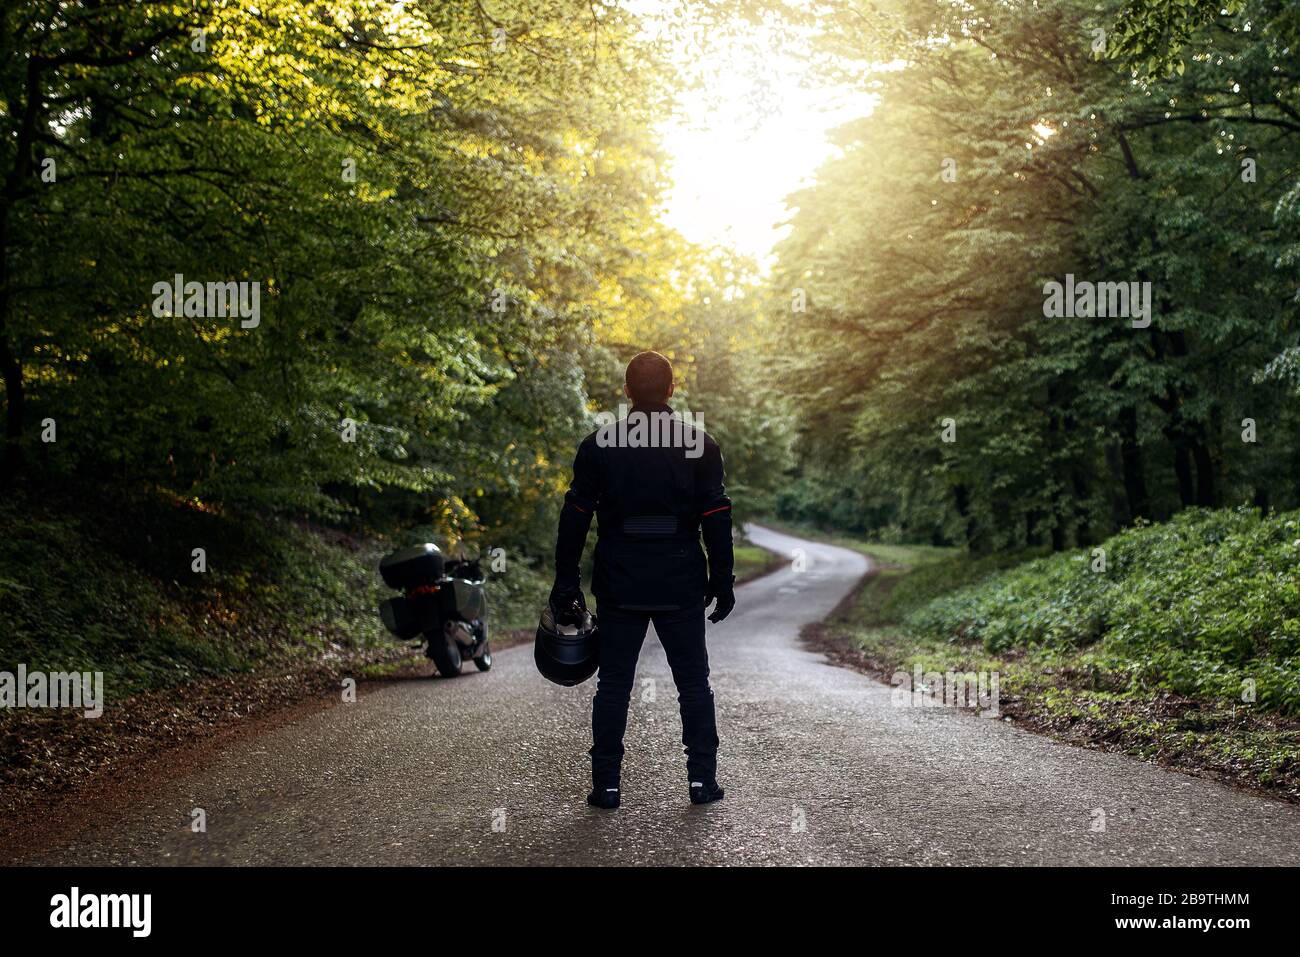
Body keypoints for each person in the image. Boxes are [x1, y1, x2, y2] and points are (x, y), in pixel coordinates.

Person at [550, 350, 735, 810]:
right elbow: (716, 516)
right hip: (680, 579)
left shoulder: (600, 445)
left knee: (613, 685)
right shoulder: (699, 444)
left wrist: (565, 581)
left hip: (621, 579)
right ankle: (700, 782)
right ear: (671, 390)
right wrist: (724, 579)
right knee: (693, 684)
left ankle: (607, 786)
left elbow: (575, 515)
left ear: (627, 392)